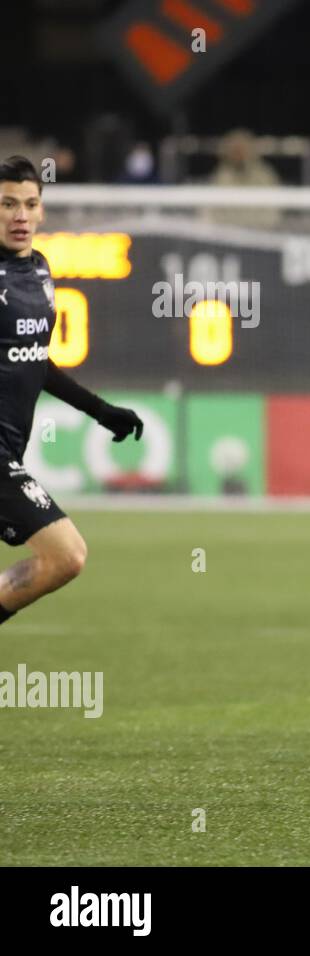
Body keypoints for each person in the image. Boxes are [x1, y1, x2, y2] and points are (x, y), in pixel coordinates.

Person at [0, 156, 144, 629]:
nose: (19, 215)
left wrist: (99, 411)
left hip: (10, 448)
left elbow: (36, 359)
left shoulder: (40, 271)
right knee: (66, 555)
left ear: (41, 212)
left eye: (29, 204)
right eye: (6, 204)